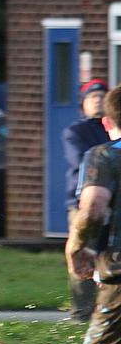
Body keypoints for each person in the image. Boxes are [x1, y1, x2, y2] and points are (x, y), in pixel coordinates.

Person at [66, 84, 121, 344]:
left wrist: (77, 245)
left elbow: (95, 206)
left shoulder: (105, 155)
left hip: (118, 277)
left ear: (106, 121)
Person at [63, 78, 111, 322]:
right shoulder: (75, 132)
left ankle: (105, 309)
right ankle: (81, 312)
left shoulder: (112, 128)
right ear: (83, 103)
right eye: (94, 97)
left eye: (103, 96)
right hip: (83, 202)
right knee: (83, 251)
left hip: (113, 201)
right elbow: (82, 160)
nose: (99, 101)